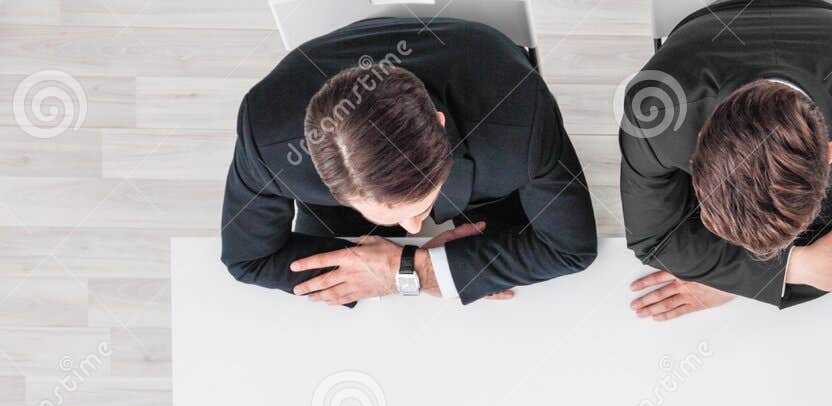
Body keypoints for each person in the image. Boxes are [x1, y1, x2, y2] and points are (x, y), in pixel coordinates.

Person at [222, 16, 596, 307]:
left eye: (418, 208)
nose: (414, 229)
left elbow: (569, 248)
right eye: (396, 218)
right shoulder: (269, 140)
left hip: (482, 117)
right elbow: (248, 260)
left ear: (438, 125)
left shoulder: (520, 119)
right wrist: (404, 271)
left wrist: (411, 270)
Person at [619, 0, 832, 320]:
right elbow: (655, 239)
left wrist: (730, 281)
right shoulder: (655, 114)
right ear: (700, 143)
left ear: (828, 154)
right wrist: (793, 269)